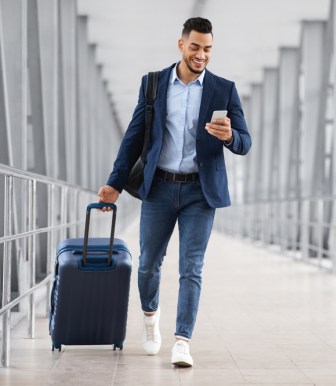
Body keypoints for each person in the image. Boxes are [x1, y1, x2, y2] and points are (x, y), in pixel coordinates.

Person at [97, 17, 251, 367]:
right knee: (149, 264)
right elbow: (133, 138)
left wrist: (229, 137)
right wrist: (114, 183)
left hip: (200, 192)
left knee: (191, 267)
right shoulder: (153, 85)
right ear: (181, 45)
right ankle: (151, 320)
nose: (201, 55)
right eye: (195, 47)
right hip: (159, 189)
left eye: (208, 49)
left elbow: (245, 142)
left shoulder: (224, 89)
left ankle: (183, 340)